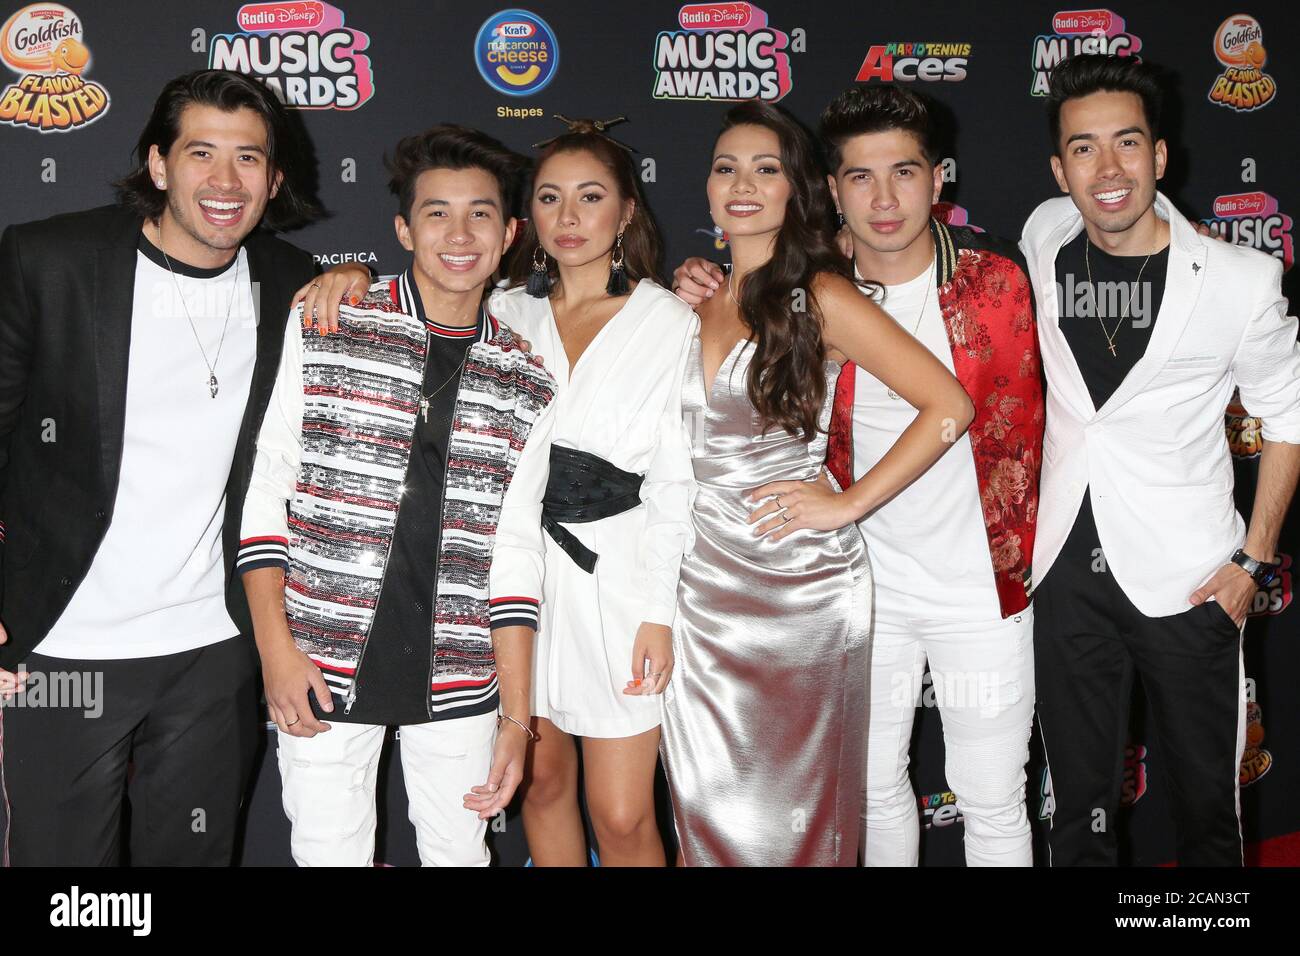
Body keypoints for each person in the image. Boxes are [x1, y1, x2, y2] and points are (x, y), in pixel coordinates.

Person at [675, 86, 1044, 867]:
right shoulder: (797, 285)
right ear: (832, 189)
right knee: (869, 792)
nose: (884, 199)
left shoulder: (994, 283)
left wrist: (844, 503)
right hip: (861, 587)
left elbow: (981, 417)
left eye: (904, 173)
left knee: (991, 796)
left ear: (938, 179)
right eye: (861, 178)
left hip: (979, 587)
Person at [0, 69, 338, 866]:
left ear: (274, 177)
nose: (226, 182)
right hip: (64, 646)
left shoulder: (291, 283)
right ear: (157, 165)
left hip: (212, 648)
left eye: (249, 159)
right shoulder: (49, 262)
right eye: (201, 154)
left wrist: (348, 276)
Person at [237, 125, 556, 867]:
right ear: (403, 228)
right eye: (436, 212)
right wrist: (276, 651)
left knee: (459, 856)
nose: (459, 232)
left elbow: (514, 553)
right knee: (329, 856)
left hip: (461, 673)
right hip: (320, 659)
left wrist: (516, 715)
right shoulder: (330, 322)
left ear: (509, 233)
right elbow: (269, 487)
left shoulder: (525, 376)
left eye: (481, 213)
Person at [1022, 54, 1300, 866]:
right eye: (1083, 149)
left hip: (1190, 578)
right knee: (1079, 807)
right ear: (1058, 168)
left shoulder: (1242, 281)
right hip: (1068, 566)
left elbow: (1288, 422)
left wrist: (1255, 557)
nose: (1107, 169)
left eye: (1127, 144)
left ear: (1160, 156)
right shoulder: (1044, 235)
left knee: (1207, 811)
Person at [485, 118, 697, 867]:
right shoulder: (502, 313)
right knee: (540, 786)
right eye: (550, 198)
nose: (569, 217)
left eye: (590, 196)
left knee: (622, 812)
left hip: (622, 583)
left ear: (627, 211)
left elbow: (678, 483)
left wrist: (658, 613)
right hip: (517, 582)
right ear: (529, 216)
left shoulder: (667, 320)